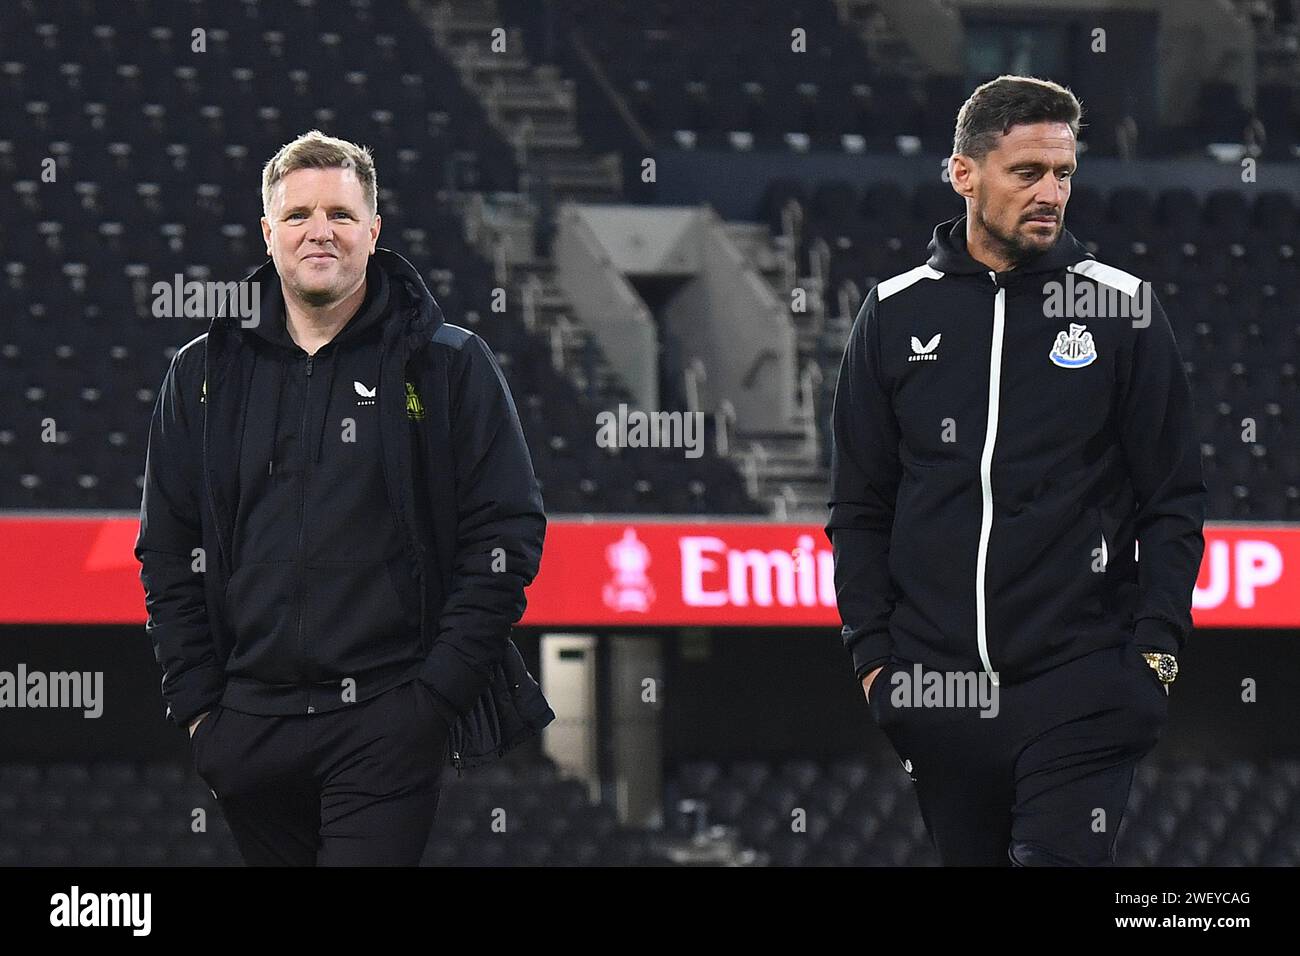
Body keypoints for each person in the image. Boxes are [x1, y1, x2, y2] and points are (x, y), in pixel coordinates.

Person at [134, 130, 552, 865]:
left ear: (374, 231)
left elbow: (506, 536)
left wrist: (433, 701)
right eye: (297, 216)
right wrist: (201, 712)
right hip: (248, 728)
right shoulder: (202, 374)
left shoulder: (449, 363)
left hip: (386, 719)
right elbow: (167, 551)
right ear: (268, 234)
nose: (318, 231)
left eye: (339, 213)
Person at [825, 76, 1207, 866]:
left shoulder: (1122, 307)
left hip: (1083, 682)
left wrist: (1154, 655)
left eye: (1063, 174)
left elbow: (1173, 498)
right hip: (939, 693)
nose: (1051, 193)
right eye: (1026, 172)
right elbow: (861, 507)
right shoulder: (894, 312)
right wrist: (874, 662)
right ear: (965, 174)